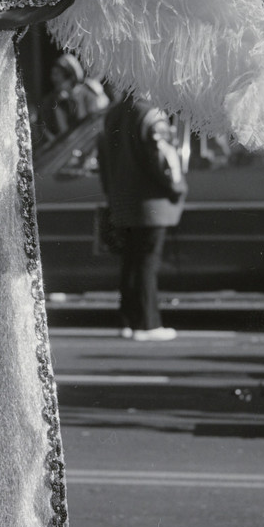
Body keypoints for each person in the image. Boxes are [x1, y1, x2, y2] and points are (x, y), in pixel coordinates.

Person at [97, 93, 189, 342]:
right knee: (147, 263)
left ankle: (128, 320)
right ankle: (147, 323)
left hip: (123, 201)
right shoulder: (150, 113)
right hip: (151, 202)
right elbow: (163, 157)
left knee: (130, 262)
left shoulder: (113, 113)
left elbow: (103, 158)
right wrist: (177, 187)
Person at [42, 52, 108, 141]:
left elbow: (93, 125)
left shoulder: (89, 94)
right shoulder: (59, 101)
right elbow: (63, 132)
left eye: (57, 74)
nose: (53, 78)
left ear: (70, 75)